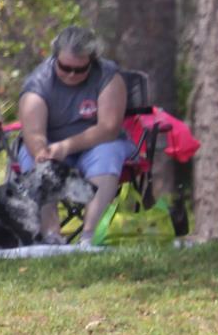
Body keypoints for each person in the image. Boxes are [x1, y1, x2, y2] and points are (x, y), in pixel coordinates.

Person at [16, 25, 133, 243]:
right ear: (55, 58)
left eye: (80, 70)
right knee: (34, 160)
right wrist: (43, 153)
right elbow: (33, 133)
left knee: (108, 152)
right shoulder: (38, 83)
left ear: (92, 61)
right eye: (65, 67)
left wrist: (67, 146)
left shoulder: (108, 76)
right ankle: (50, 235)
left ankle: (90, 235)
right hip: (53, 147)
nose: (71, 74)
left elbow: (109, 128)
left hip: (97, 145)